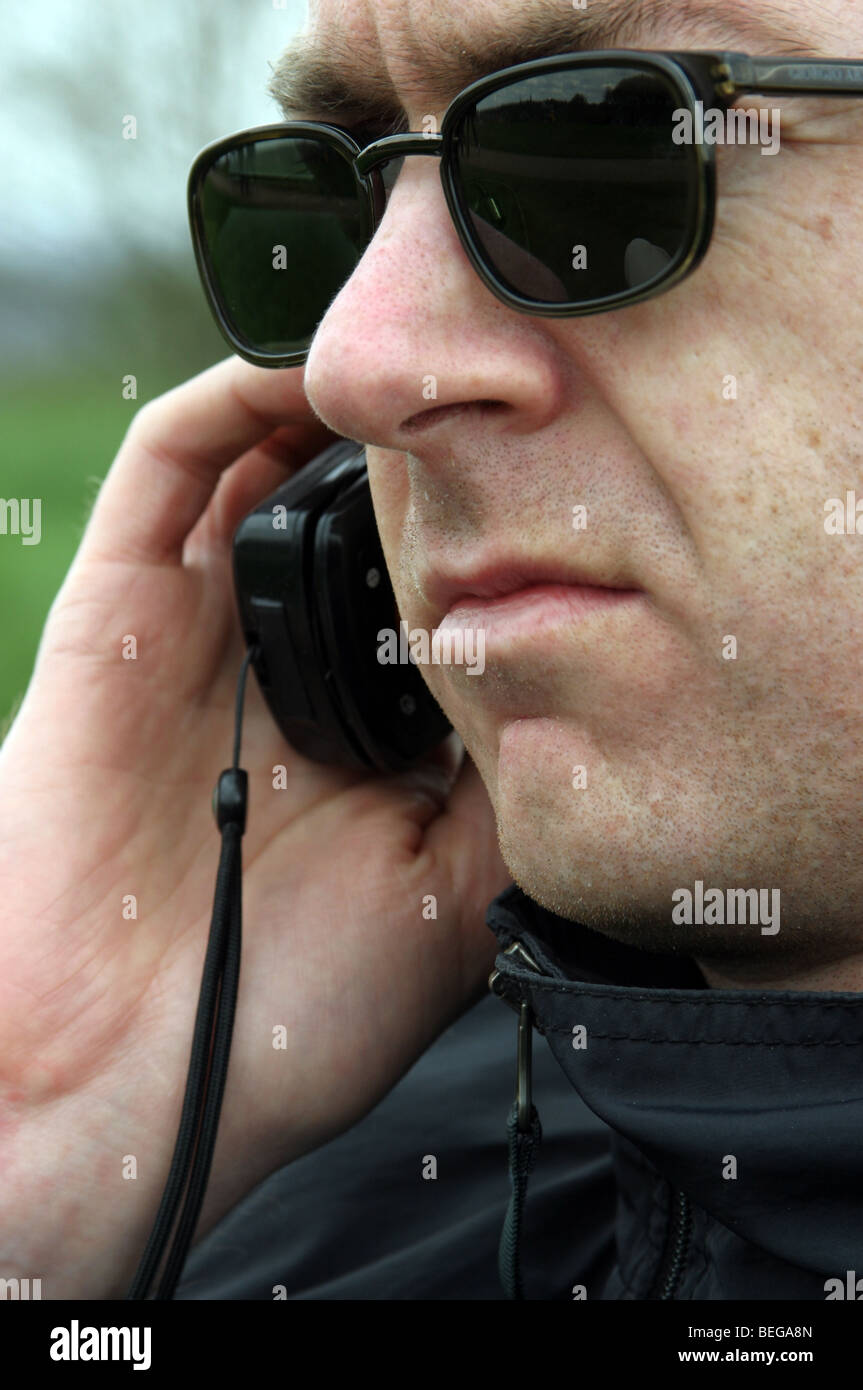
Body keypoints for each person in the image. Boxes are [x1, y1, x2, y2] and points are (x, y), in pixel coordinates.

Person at [2, 0, 863, 1302]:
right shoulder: (260, 1218)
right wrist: (54, 1119)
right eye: (342, 184)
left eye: (597, 143)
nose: (352, 361)